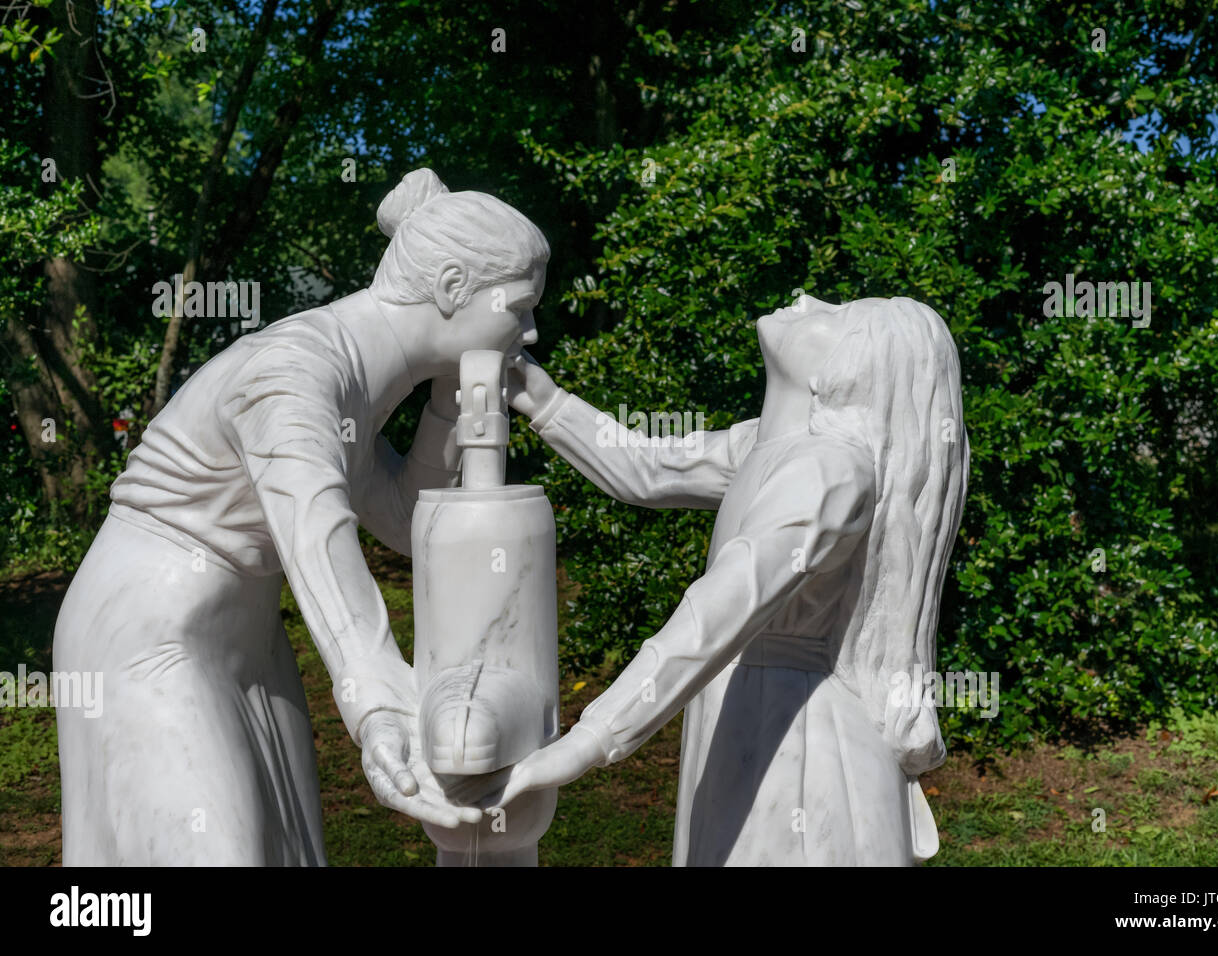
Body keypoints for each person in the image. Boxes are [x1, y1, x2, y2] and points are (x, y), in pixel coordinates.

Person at [53, 168, 549, 864]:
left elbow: (405, 521)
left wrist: (447, 401)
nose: (528, 332)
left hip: (246, 639)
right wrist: (378, 698)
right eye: (520, 307)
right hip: (148, 635)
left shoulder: (351, 379)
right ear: (448, 290)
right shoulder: (295, 371)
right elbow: (315, 534)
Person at [494, 295, 968, 864]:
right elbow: (645, 468)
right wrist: (541, 398)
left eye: (836, 315)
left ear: (841, 373)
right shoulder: (762, 446)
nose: (810, 299)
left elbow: (721, 609)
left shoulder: (829, 473)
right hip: (750, 713)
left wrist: (593, 737)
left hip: (795, 739)